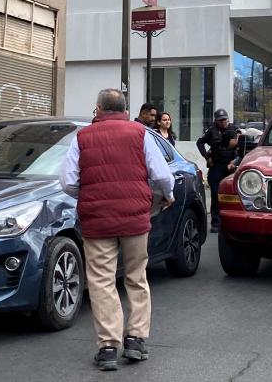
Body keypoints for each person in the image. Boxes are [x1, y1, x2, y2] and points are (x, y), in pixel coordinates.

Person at [60, 88, 175, 372]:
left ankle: (109, 347)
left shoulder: (82, 137)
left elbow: (67, 181)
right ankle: (136, 340)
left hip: (97, 220)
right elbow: (161, 174)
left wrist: (88, 195)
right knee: (136, 277)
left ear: (98, 109)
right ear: (124, 109)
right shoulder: (141, 134)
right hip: (135, 218)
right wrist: (167, 194)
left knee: (101, 281)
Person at [196, 108, 238, 233]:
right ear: (216, 121)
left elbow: (240, 147)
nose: (223, 122)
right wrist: (207, 158)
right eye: (221, 120)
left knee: (231, 195)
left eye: (225, 119)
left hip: (230, 166)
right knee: (216, 194)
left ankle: (230, 222)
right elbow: (200, 143)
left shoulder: (233, 129)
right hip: (216, 166)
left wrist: (235, 161)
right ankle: (216, 223)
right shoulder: (212, 130)